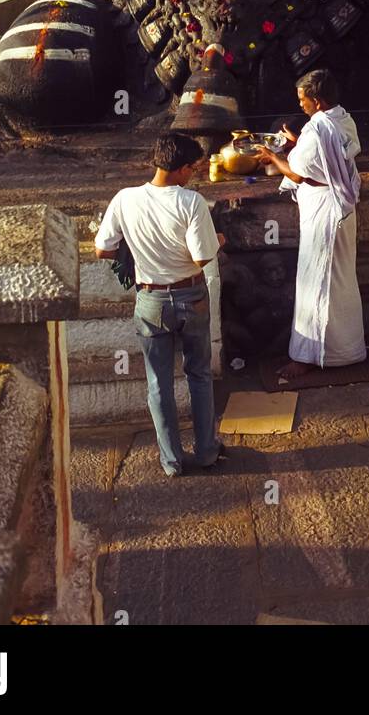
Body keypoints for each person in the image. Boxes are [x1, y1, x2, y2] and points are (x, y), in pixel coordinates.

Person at [94, 132, 226, 478]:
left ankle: (171, 460)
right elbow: (202, 258)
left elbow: (101, 249)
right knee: (199, 374)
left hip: (150, 300)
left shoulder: (125, 199)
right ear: (182, 169)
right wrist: (219, 241)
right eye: (192, 168)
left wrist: (137, 252)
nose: (193, 174)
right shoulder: (191, 202)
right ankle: (207, 451)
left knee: (158, 383)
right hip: (191, 296)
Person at [259, 68, 367, 382]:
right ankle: (347, 351)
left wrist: (272, 156)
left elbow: (297, 174)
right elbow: (326, 155)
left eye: (304, 100)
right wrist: (298, 142)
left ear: (317, 101)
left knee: (316, 283)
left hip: (324, 213)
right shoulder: (343, 119)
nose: (301, 105)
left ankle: (308, 357)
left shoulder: (318, 129)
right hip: (342, 208)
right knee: (340, 281)